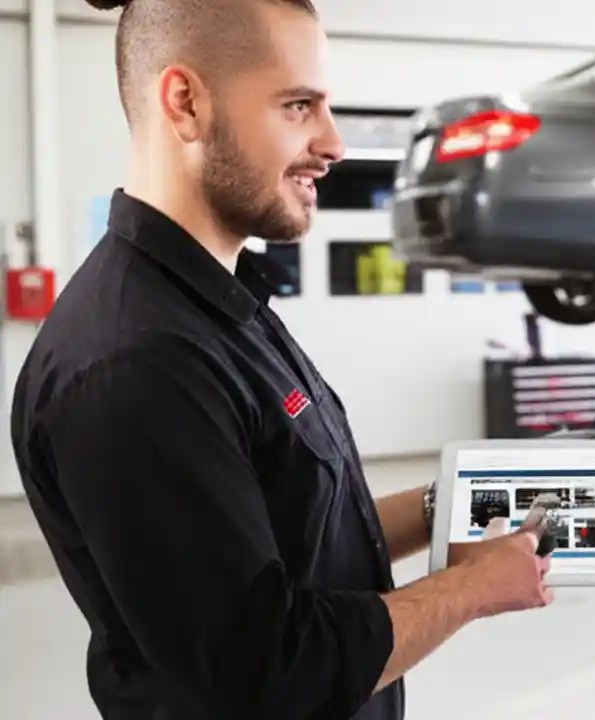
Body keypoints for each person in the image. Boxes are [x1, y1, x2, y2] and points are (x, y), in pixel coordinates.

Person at [9, 1, 553, 718]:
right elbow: (267, 672)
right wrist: (472, 588)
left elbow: (298, 533)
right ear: (186, 103)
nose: (333, 144)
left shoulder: (218, 310)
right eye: (300, 106)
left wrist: (445, 505)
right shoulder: (140, 365)